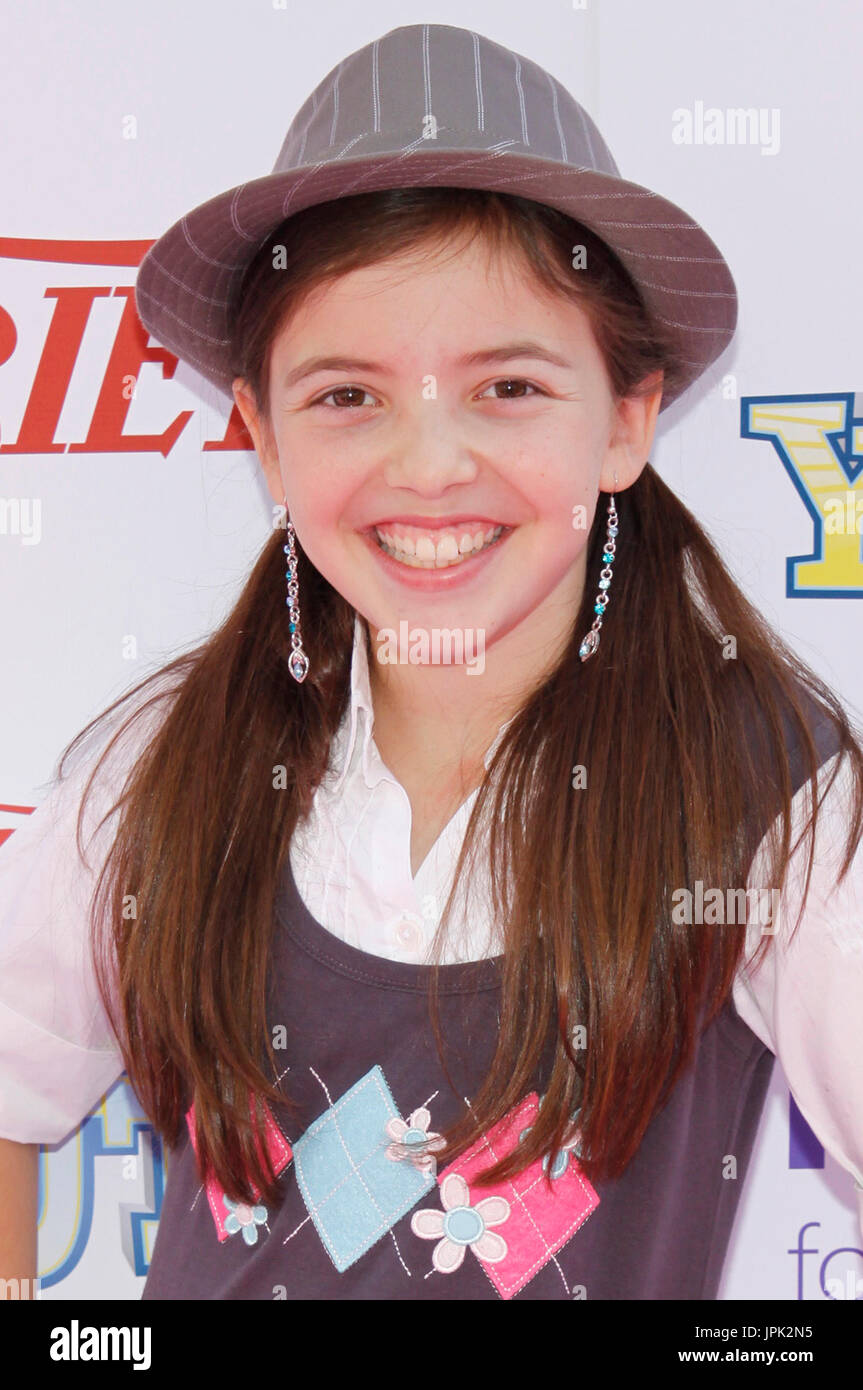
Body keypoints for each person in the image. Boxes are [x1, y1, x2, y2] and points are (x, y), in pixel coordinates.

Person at [1, 21, 862, 1301]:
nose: (428, 465)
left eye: (506, 387)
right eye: (348, 396)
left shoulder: (758, 800)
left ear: (627, 416)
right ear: (264, 437)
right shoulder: (163, 771)